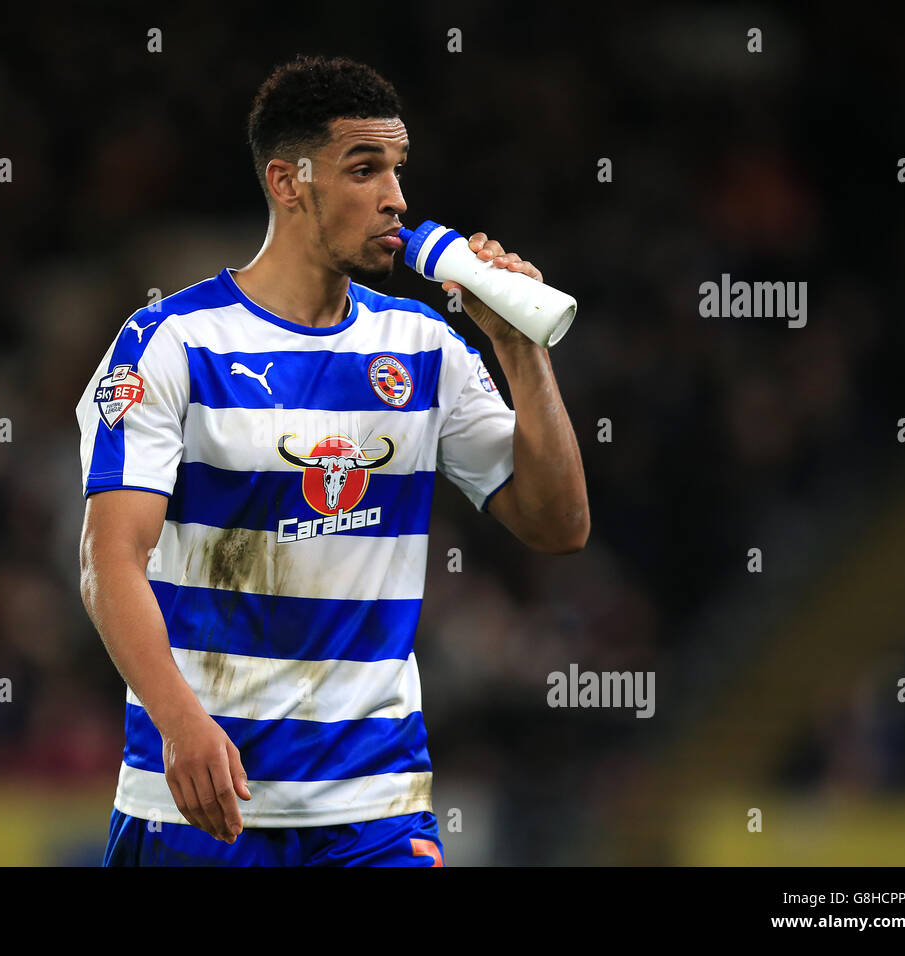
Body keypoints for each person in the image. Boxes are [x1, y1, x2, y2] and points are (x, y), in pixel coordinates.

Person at [77, 54, 588, 866]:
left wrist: (520, 354)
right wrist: (180, 722)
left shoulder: (425, 347)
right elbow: (112, 560)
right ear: (289, 182)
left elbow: (557, 524)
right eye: (364, 168)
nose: (396, 197)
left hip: (376, 807)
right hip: (202, 797)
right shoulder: (171, 342)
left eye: (397, 168)